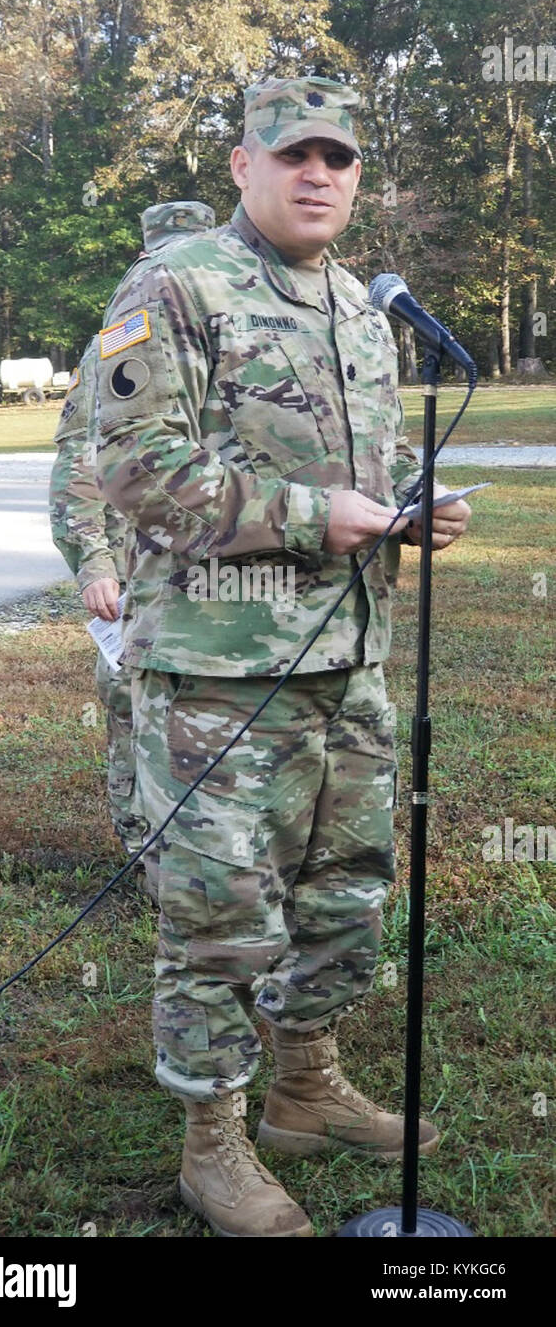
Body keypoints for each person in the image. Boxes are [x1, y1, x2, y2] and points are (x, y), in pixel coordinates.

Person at [94, 76, 471, 1238]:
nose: (318, 174)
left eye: (339, 158)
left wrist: (414, 508)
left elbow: (357, 467)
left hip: (346, 660)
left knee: (345, 892)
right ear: (244, 166)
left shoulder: (361, 305)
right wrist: (318, 518)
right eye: (293, 153)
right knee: (221, 914)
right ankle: (214, 1145)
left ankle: (305, 1088)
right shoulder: (175, 285)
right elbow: (140, 475)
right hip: (217, 672)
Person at [49, 202, 216, 895]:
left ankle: (210, 855)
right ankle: (147, 860)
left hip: (216, 565)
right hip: (136, 566)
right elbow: (76, 463)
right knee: (132, 705)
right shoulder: (121, 340)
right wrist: (93, 562)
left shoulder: (230, 331)